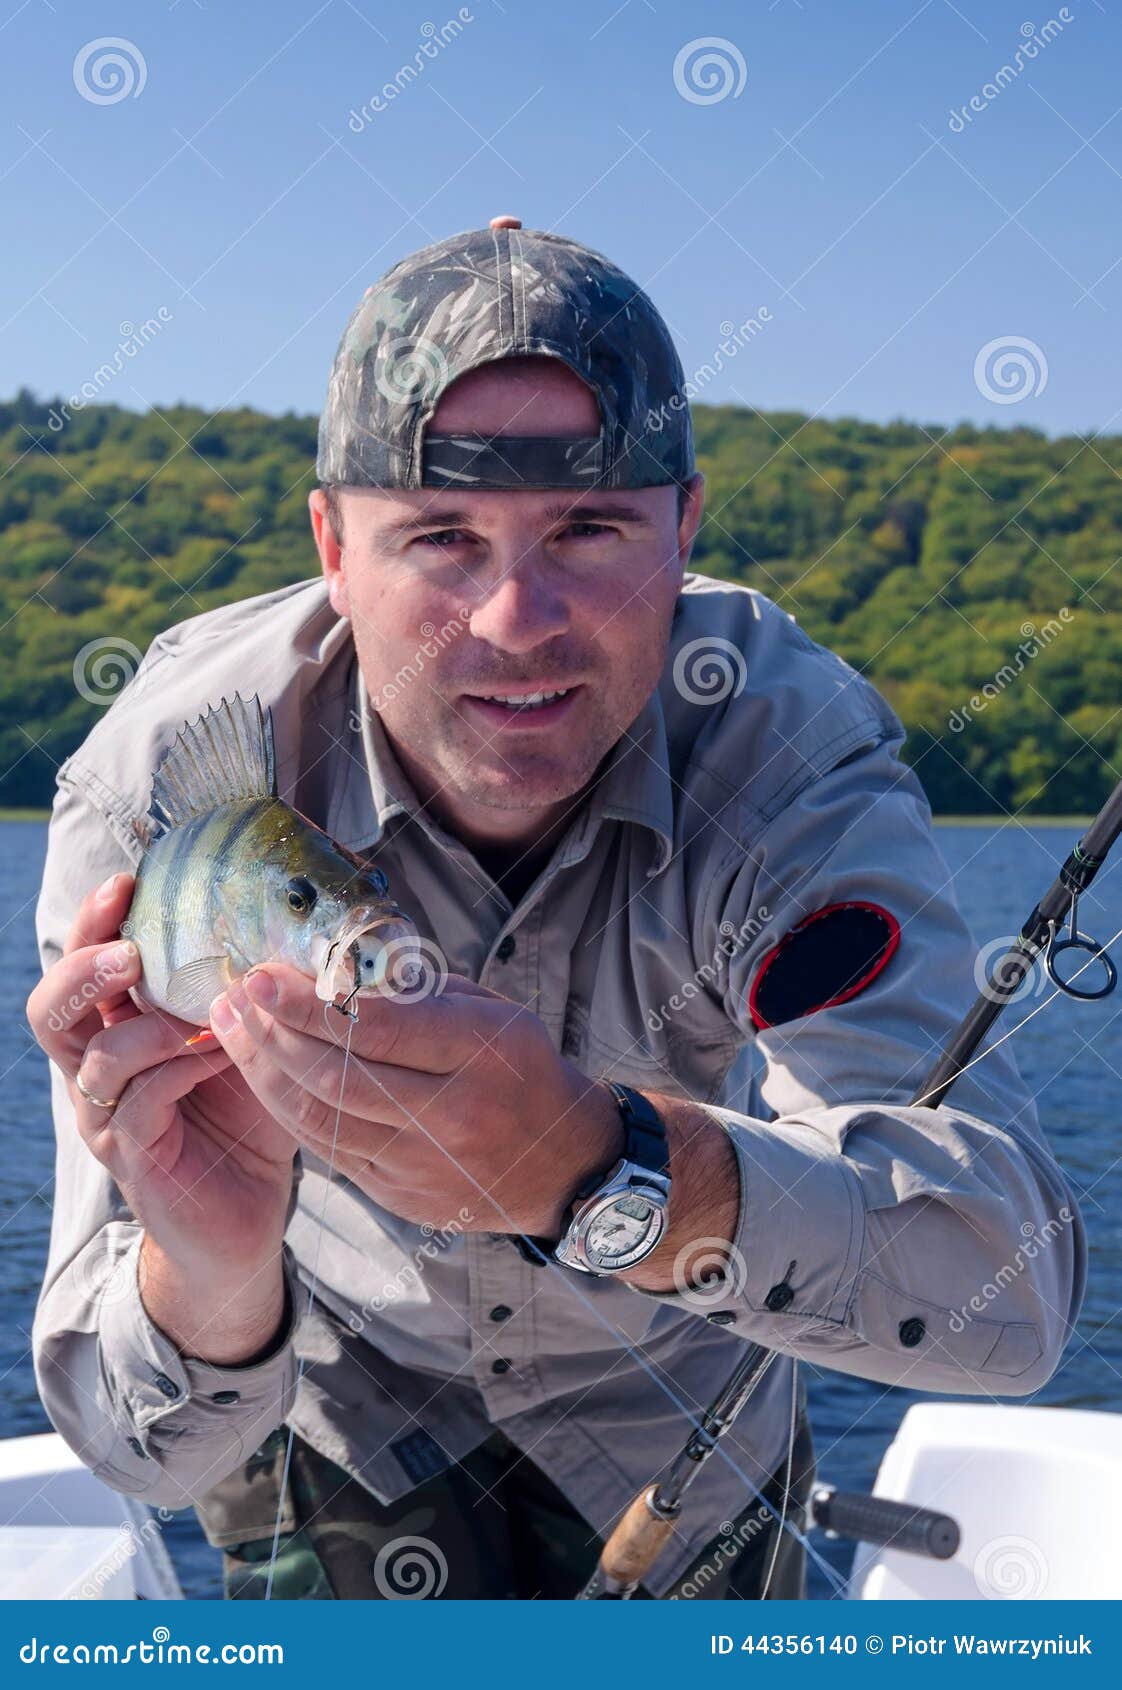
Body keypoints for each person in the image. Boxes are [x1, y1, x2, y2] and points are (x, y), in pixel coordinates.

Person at [28, 217, 1083, 1602]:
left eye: (589, 528)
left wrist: (602, 1170)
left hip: (679, 1398)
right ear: (332, 545)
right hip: (330, 1399)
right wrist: (212, 1271)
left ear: (684, 529)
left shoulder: (782, 761)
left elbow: (1006, 1296)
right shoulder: (163, 787)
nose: (516, 618)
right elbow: (135, 1446)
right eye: (441, 537)